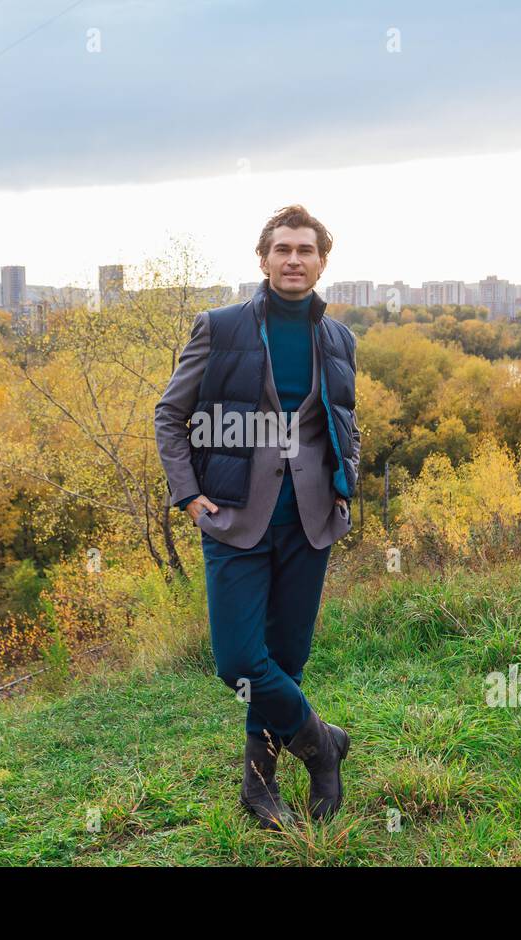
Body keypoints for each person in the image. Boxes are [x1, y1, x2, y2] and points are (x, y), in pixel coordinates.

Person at [154, 204, 360, 828]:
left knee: (286, 659)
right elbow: (170, 414)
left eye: (305, 250)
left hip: (310, 521)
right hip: (235, 517)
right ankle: (323, 746)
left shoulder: (340, 338)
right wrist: (188, 494)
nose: (293, 260)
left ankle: (258, 787)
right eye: (282, 250)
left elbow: (345, 422)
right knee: (240, 661)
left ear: (323, 261)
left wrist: (346, 483)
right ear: (263, 259)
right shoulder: (220, 327)